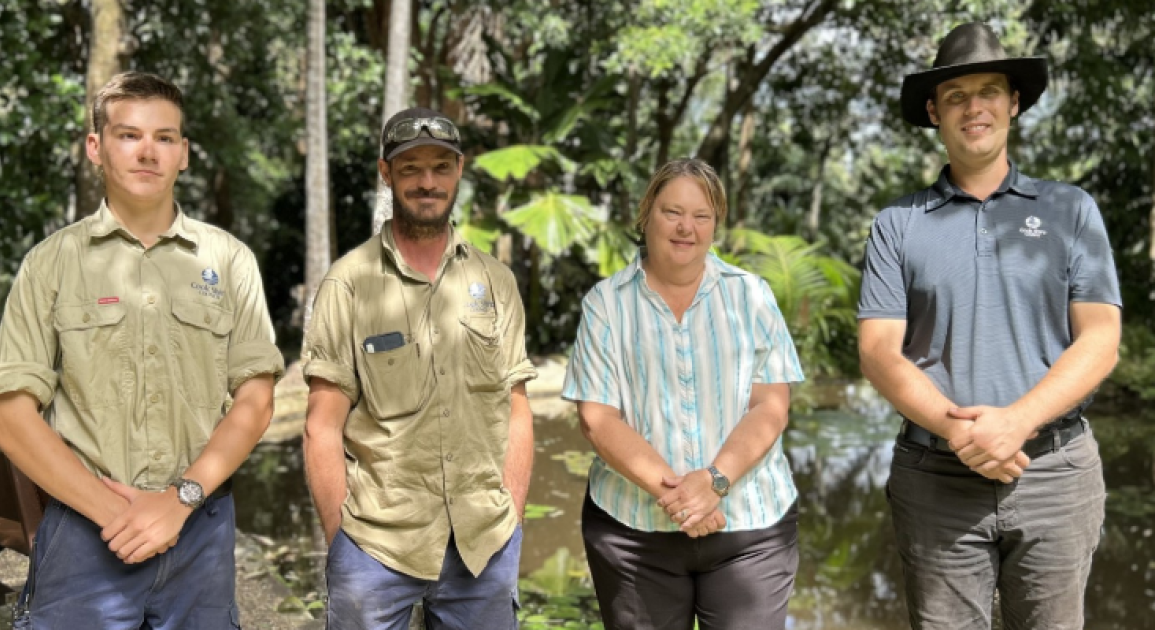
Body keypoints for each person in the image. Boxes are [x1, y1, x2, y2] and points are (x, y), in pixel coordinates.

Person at [0, 71, 285, 629]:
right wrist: (116, 513)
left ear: (183, 154)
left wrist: (179, 500)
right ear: (96, 146)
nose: (148, 152)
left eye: (165, 138)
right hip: (85, 533)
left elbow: (256, 400)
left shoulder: (230, 260)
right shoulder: (51, 263)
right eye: (128, 135)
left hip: (201, 531)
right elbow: (8, 415)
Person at [858, 22, 1122, 630]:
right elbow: (878, 352)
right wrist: (963, 432)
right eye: (955, 95)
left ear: (1014, 103)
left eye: (989, 91)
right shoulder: (898, 224)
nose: (973, 107)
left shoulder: (1071, 210)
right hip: (936, 482)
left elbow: (1100, 337)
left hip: (1056, 474)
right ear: (934, 111)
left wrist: (1017, 422)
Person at [302, 107, 537, 630]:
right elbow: (321, 425)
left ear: (458, 172)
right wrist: (342, 541)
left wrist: (512, 520)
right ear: (386, 174)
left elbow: (516, 410)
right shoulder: (349, 283)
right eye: (410, 169)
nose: (427, 183)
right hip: (376, 544)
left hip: (484, 544)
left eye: (440, 167)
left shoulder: (495, 282)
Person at [562, 158, 805, 630]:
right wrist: (681, 498)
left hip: (749, 530)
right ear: (646, 212)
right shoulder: (605, 305)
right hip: (634, 536)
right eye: (673, 211)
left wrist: (714, 482)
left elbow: (770, 408)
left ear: (716, 223)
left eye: (702, 216)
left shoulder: (752, 297)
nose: (686, 228)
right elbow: (598, 419)